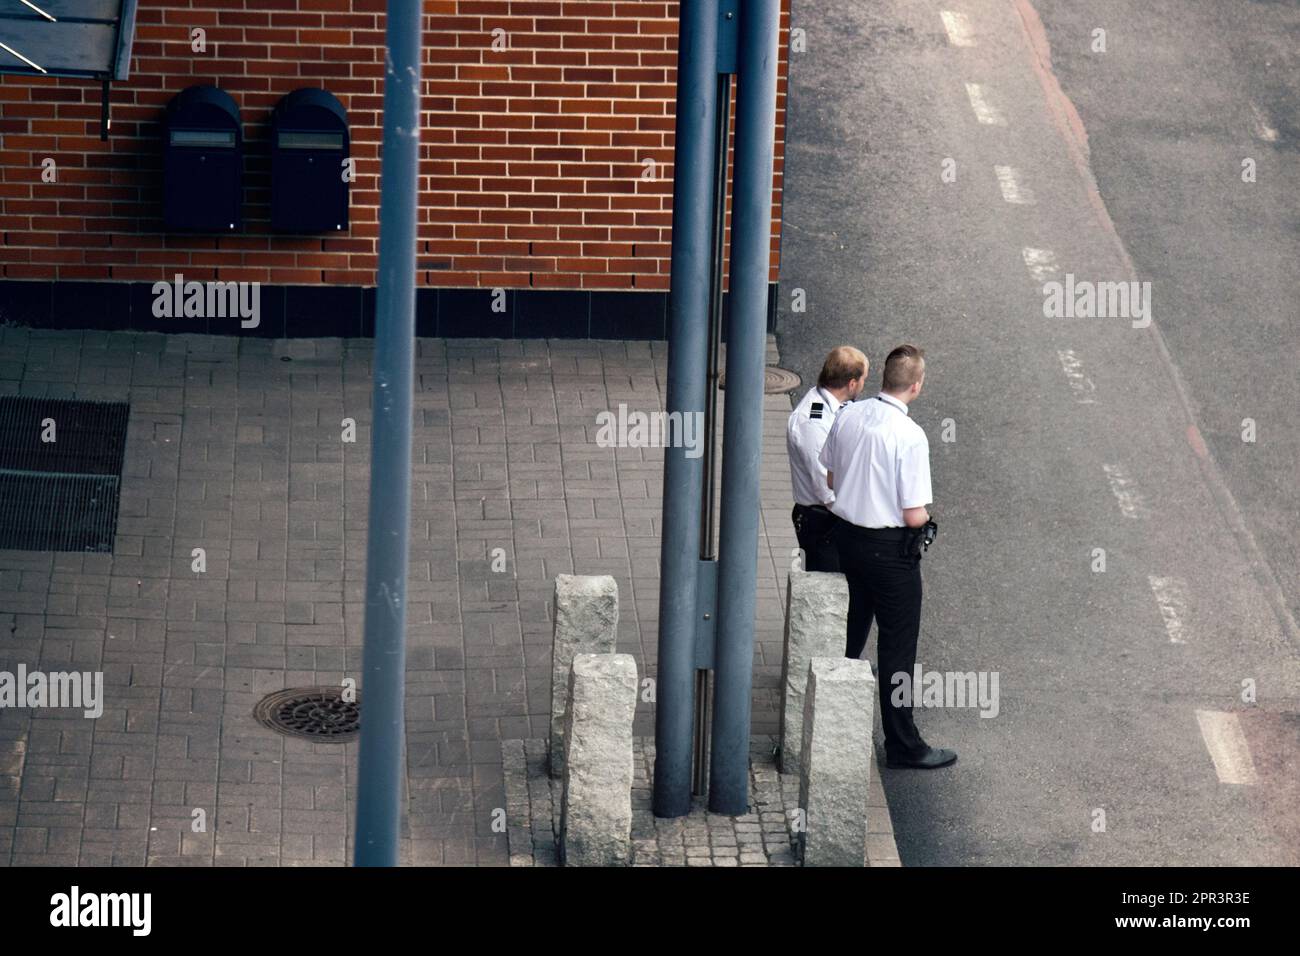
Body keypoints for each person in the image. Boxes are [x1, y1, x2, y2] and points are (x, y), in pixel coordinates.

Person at [818, 344, 955, 769]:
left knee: (851, 632)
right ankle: (902, 744)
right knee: (897, 648)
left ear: (882, 378)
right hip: (890, 554)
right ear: (916, 385)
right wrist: (929, 518)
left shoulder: (849, 416)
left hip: (847, 542)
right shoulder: (910, 436)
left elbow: (831, 475)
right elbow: (914, 514)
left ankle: (829, 718)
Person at [786, 346, 868, 572]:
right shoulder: (813, 423)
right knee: (828, 594)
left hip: (831, 518)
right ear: (852, 383)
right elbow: (826, 489)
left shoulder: (836, 406)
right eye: (863, 380)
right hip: (822, 523)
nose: (863, 385)